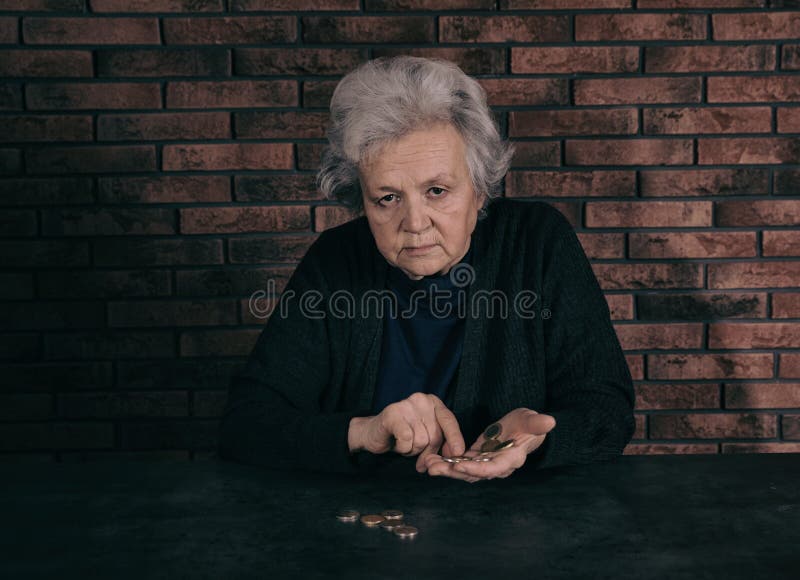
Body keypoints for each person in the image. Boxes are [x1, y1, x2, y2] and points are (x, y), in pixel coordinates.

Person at [218, 56, 635, 482]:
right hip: (362, 530)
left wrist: (539, 441)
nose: (415, 224)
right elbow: (245, 424)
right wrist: (364, 431)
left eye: (437, 191)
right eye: (387, 198)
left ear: (479, 192)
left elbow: (606, 409)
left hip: (513, 527)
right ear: (361, 201)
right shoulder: (335, 261)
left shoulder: (538, 242)